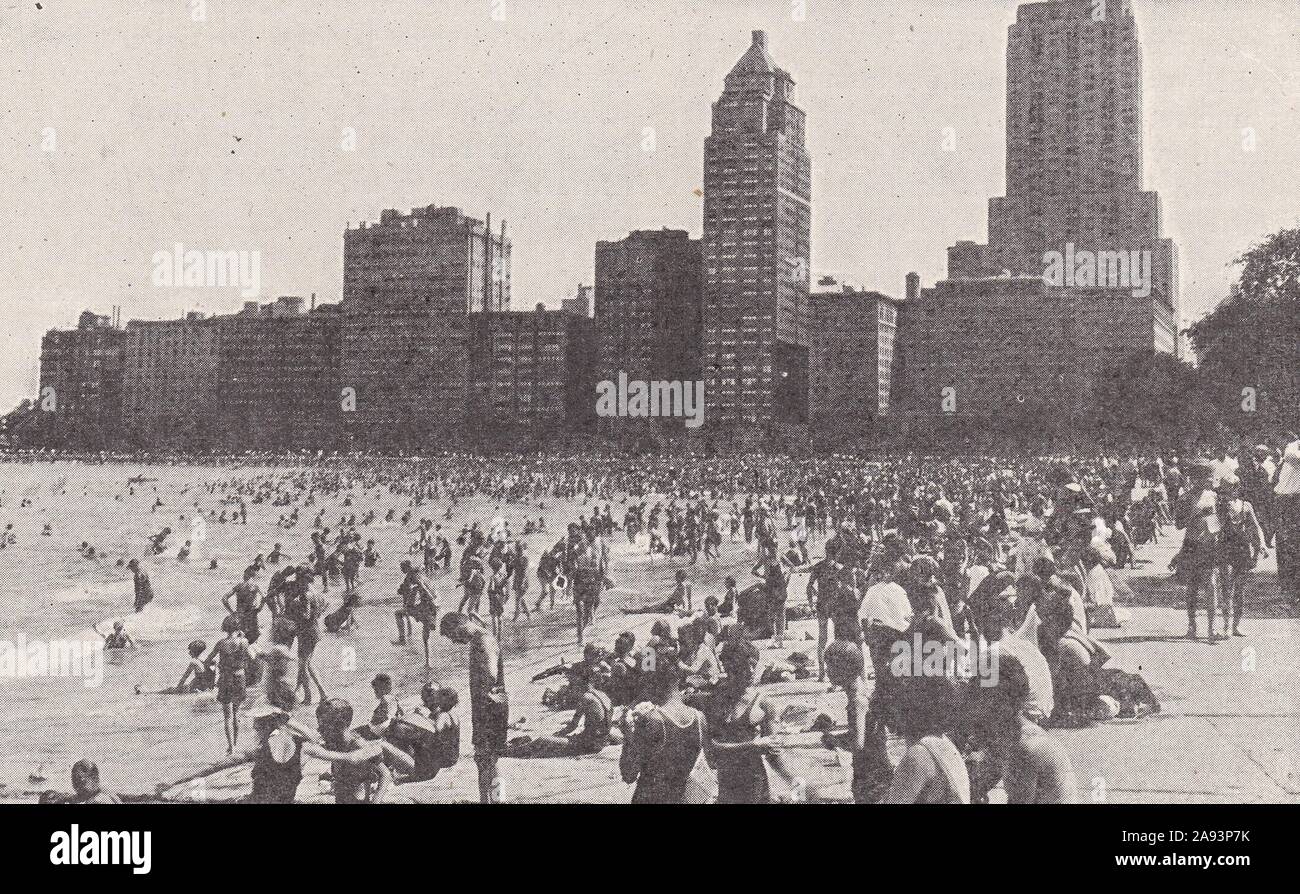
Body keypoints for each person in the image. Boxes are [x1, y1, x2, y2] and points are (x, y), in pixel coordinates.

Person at [156, 706, 386, 804]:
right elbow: (351, 758)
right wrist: (377, 746)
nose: (255, 729)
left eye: (257, 726)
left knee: (193, 797)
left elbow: (215, 766)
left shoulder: (259, 751)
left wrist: (174, 780)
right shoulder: (306, 748)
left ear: (265, 727)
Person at [976, 652, 1078, 804]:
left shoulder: (1023, 749)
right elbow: (981, 782)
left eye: (979, 697)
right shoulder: (1019, 734)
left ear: (998, 704)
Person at [619, 638, 706, 804]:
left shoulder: (653, 721)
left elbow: (628, 774)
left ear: (653, 681)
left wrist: (628, 736)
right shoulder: (699, 719)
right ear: (679, 679)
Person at [704, 638, 781, 804]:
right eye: (745, 665)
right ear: (730, 667)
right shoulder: (717, 700)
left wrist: (797, 784)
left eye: (754, 664)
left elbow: (774, 756)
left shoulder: (764, 704)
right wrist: (752, 746)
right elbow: (711, 751)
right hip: (726, 785)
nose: (752, 670)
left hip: (753, 784)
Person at [440, 612, 506, 803]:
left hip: (490, 707)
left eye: (452, 636)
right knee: (485, 758)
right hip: (488, 705)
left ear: (458, 627)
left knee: (488, 757)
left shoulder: (482, 640)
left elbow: (491, 674)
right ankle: (488, 800)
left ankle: (497, 800)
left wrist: (484, 699)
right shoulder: (481, 636)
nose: (454, 642)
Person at [822, 638, 892, 803]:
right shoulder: (862, 691)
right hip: (874, 770)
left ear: (844, 669)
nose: (827, 671)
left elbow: (858, 744)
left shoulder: (857, 701)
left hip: (871, 774)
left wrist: (833, 739)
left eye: (830, 666)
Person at [507, 664, 614, 758]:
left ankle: (505, 753)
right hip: (601, 741)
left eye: (574, 678)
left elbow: (572, 726)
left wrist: (556, 735)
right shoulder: (603, 695)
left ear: (580, 679)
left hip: (588, 745)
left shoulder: (586, 697)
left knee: (542, 741)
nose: (571, 681)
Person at [1216, 477, 1267, 637]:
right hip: (1225, 548)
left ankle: (1236, 625)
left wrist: (1261, 545)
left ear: (1236, 489)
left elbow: (1255, 527)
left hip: (1242, 549)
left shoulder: (1246, 506)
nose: (1224, 492)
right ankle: (1226, 626)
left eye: (1228, 488)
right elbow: (1212, 526)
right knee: (1226, 588)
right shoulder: (1218, 506)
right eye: (1222, 489)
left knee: (1240, 589)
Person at [205, 615, 253, 753]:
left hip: (226, 679)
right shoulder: (244, 642)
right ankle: (237, 743)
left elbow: (208, 660)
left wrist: (217, 664)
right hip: (240, 677)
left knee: (227, 716)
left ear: (225, 628)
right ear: (238, 628)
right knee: (236, 712)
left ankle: (231, 747)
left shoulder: (220, 643)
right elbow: (252, 657)